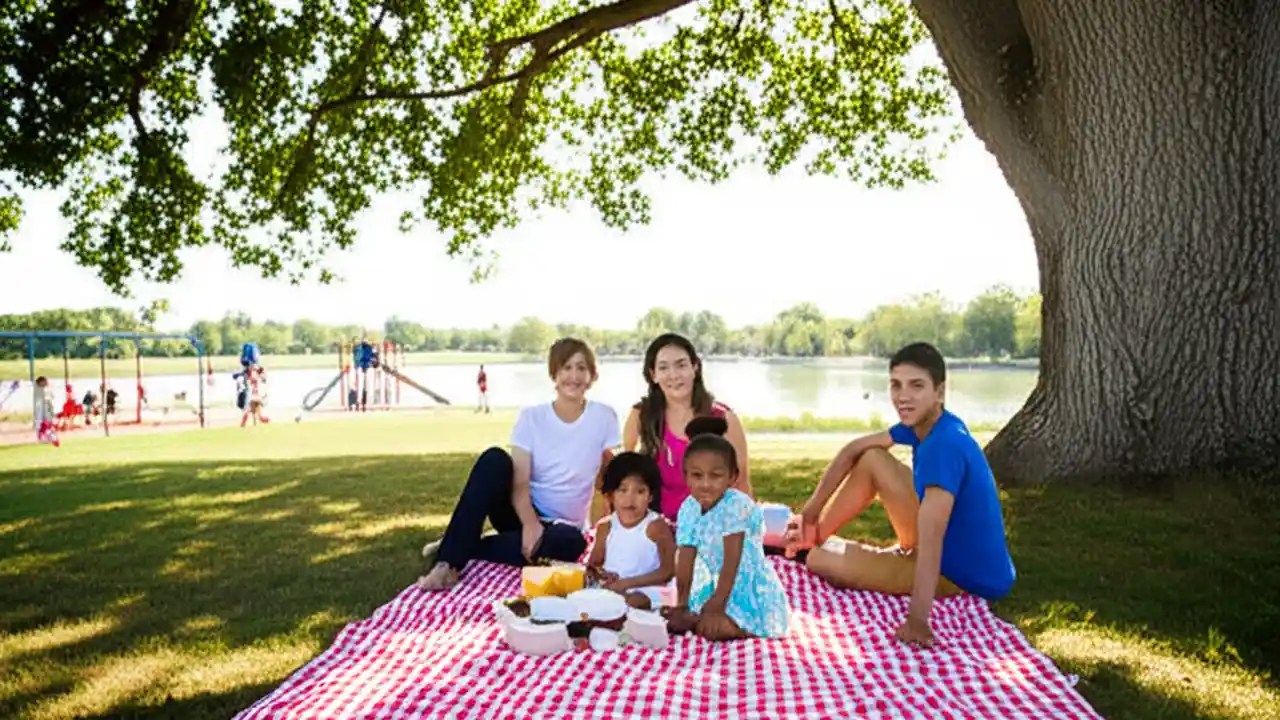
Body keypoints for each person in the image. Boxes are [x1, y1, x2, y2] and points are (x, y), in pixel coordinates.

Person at [785, 342, 1016, 649]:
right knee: (873, 459)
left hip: (961, 575)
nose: (903, 396)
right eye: (896, 385)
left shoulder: (943, 445)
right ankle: (812, 535)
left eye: (916, 386)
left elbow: (932, 541)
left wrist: (918, 620)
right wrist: (810, 513)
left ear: (940, 391)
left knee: (821, 560)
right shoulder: (928, 423)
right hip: (955, 548)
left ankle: (810, 549)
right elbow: (855, 449)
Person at [418, 338, 620, 591]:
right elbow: (520, 481)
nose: (574, 375)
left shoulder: (604, 417)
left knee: (571, 544)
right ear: (554, 374)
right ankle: (447, 562)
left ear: (592, 375)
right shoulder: (531, 417)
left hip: (563, 529)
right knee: (495, 458)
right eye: (566, 367)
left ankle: (460, 541)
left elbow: (609, 475)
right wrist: (530, 524)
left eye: (581, 368)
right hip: (520, 512)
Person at [665, 417, 788, 641]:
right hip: (714, 583)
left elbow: (733, 560)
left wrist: (718, 603)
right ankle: (698, 618)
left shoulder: (736, 506)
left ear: (732, 477)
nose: (705, 484)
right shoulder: (688, 509)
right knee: (680, 619)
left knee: (714, 628)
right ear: (686, 477)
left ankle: (744, 628)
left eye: (716, 475)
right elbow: (685, 555)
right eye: (697, 475)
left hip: (744, 585)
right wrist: (682, 604)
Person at [623, 333, 752, 521]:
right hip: (657, 527)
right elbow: (626, 476)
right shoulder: (641, 415)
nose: (674, 375)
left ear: (695, 367)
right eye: (663, 368)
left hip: (712, 527)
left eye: (681, 365)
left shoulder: (724, 419)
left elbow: (741, 486)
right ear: (653, 375)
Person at [586, 452, 676, 610]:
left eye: (640, 492)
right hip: (613, 590)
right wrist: (603, 574)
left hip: (647, 589)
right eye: (622, 490)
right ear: (611, 495)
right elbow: (593, 566)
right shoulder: (605, 527)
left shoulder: (656, 527)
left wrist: (627, 583)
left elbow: (668, 571)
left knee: (639, 600)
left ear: (650, 496)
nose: (630, 498)